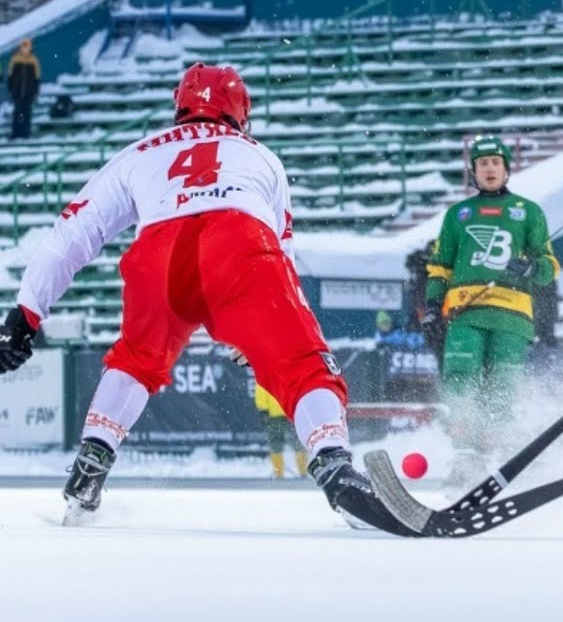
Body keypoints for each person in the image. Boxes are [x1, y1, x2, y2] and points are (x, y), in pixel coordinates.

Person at [0, 62, 416, 536]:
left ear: (179, 107)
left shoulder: (140, 153)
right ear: (240, 112)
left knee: (137, 359)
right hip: (240, 243)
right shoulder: (261, 156)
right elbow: (282, 252)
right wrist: (258, 332)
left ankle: (91, 463)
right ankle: (336, 468)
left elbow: (73, 233)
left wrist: (26, 314)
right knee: (303, 363)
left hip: (159, 252)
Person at [423, 135, 560, 488]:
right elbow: (440, 266)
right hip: (465, 313)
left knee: (502, 386)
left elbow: (549, 266)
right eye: (482, 163)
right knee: (461, 378)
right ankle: (463, 456)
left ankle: (487, 458)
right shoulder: (457, 215)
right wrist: (432, 305)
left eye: (495, 162)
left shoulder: (529, 211)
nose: (489, 169)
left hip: (512, 316)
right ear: (473, 171)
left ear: (506, 169)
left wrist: (532, 267)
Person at [255, 384, 308, 479]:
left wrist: (263, 408)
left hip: (278, 411)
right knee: (297, 441)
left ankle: (280, 473)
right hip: (290, 410)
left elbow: (261, 387)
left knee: (278, 443)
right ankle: (299, 472)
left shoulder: (268, 375)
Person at [6, 38, 40, 139]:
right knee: (17, 112)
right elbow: (10, 76)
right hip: (17, 92)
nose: (25, 49)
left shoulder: (34, 60)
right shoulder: (15, 59)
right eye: (24, 47)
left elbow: (37, 78)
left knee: (27, 112)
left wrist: (35, 91)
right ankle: (15, 132)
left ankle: (26, 132)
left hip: (29, 92)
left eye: (27, 47)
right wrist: (11, 89)